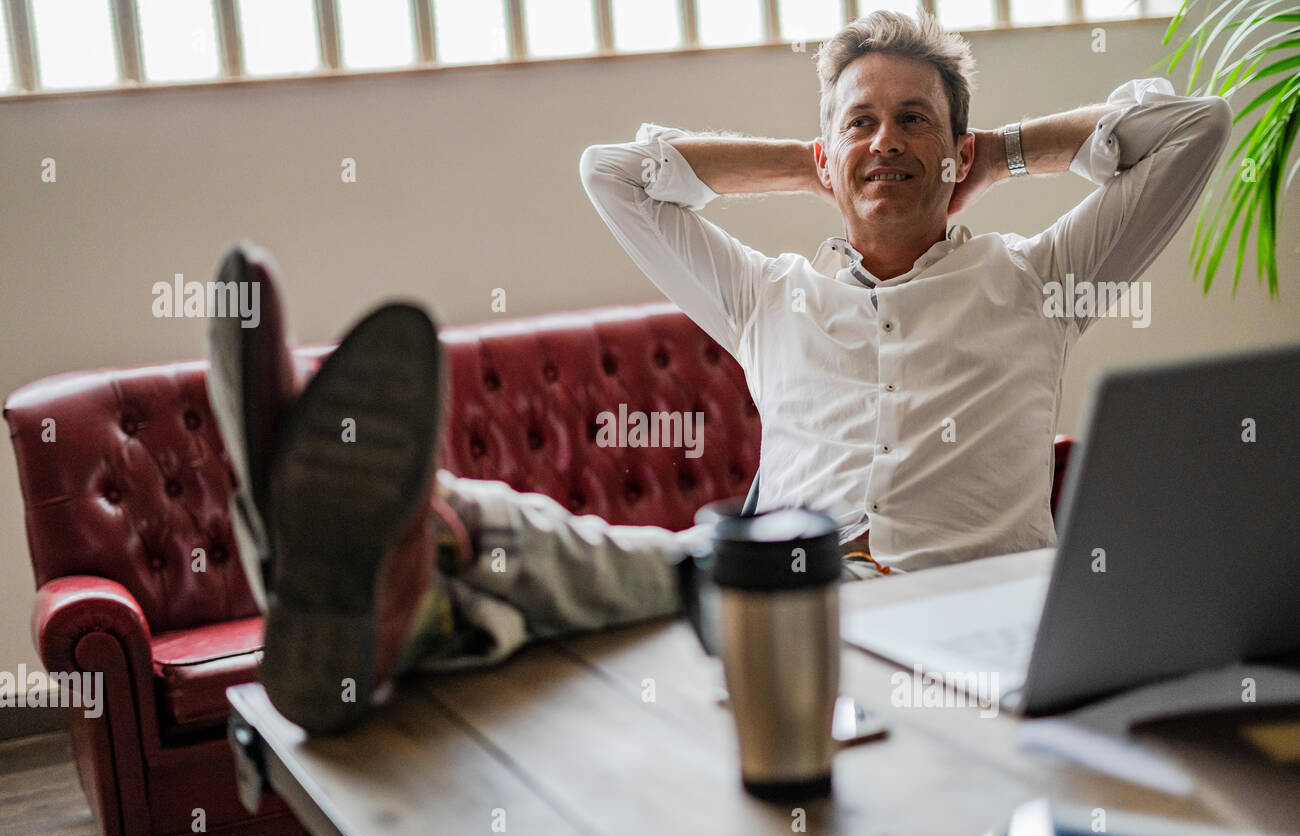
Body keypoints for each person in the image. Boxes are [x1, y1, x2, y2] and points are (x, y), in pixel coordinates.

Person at [206, 10, 1230, 733]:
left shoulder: (1040, 278)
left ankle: (387, 574)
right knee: (605, 562)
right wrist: (815, 166)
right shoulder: (767, 293)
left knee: (656, 580)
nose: (888, 142)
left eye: (915, 120)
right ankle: (404, 557)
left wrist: (999, 152)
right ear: (823, 155)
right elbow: (609, 174)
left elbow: (1195, 129)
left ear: (953, 149)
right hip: (779, 594)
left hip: (966, 613)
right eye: (860, 122)